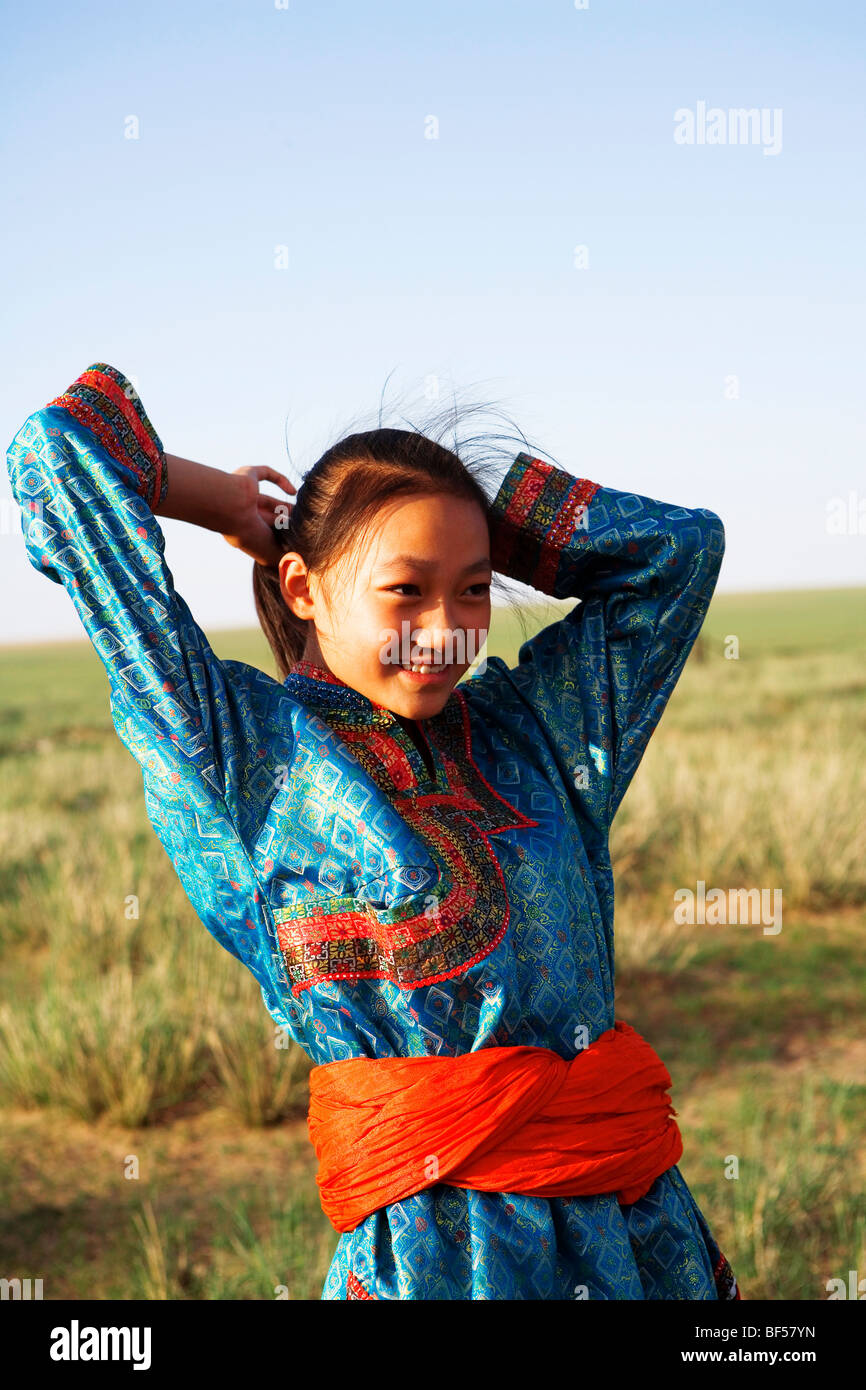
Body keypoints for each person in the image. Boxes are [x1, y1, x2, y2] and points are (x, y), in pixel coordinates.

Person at [6, 361, 739, 1301]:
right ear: (304, 589)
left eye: (472, 592)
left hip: (634, 1232)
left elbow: (679, 554)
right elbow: (55, 455)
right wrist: (228, 505)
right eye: (405, 590)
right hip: (437, 1256)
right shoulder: (238, 750)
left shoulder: (538, 731)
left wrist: (467, 513)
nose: (445, 632)